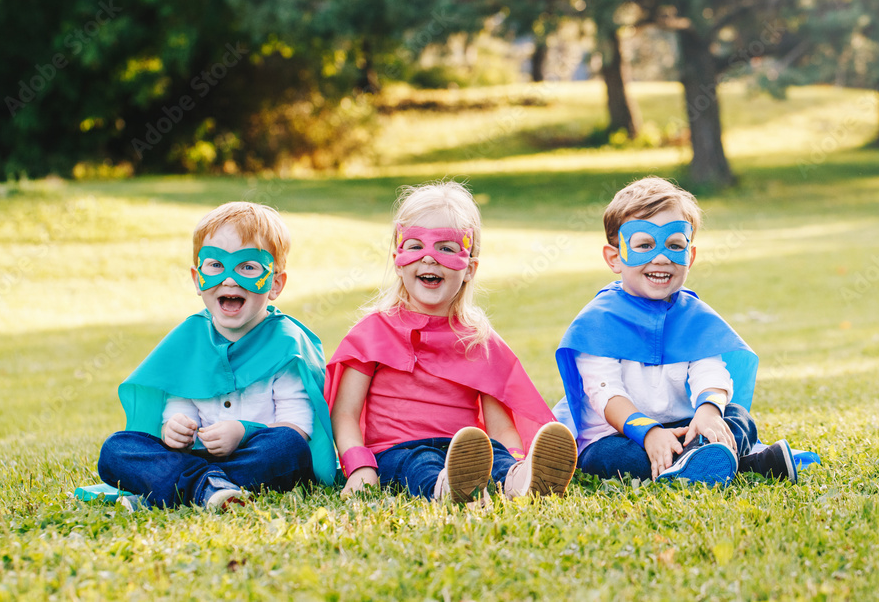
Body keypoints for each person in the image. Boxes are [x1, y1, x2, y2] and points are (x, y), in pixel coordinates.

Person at [326, 181, 577, 503]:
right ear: (398, 260)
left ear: (469, 268)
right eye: (415, 246)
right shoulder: (373, 332)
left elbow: (500, 429)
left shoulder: (477, 340)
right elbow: (345, 412)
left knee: (495, 458)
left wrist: (512, 458)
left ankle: (522, 480)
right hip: (395, 450)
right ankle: (448, 488)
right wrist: (359, 465)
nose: (429, 259)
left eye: (446, 248)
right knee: (420, 464)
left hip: (465, 448)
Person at [554, 177, 799, 486]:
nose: (661, 257)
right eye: (644, 245)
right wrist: (650, 433)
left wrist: (709, 411)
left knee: (736, 416)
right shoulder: (597, 323)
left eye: (674, 245)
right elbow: (606, 393)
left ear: (690, 256)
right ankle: (736, 463)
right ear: (615, 257)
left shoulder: (694, 317)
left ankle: (698, 459)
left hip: (684, 425)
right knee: (609, 458)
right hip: (620, 433)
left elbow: (709, 371)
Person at [97, 202, 336, 510]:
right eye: (215, 265)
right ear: (198, 279)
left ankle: (179, 489)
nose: (230, 280)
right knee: (117, 449)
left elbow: (298, 426)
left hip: (256, 456)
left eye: (248, 266)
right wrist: (176, 428)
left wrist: (242, 430)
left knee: (289, 449)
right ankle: (207, 488)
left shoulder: (286, 345)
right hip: (194, 456)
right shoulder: (188, 340)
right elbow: (181, 402)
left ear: (275, 284)